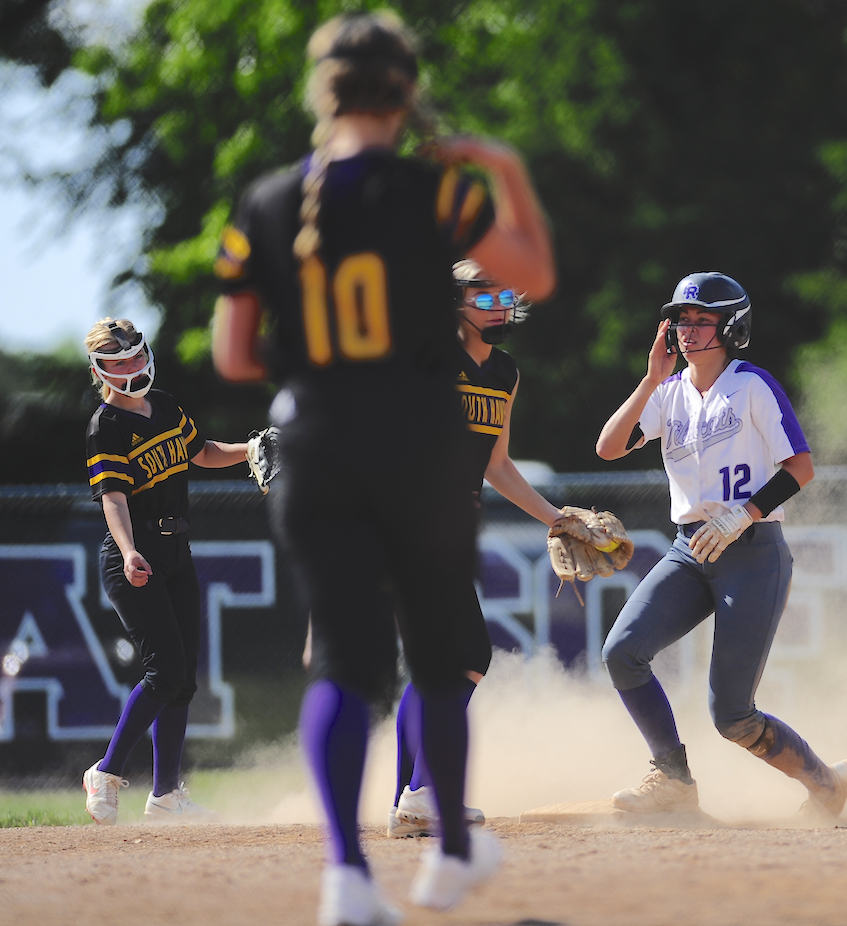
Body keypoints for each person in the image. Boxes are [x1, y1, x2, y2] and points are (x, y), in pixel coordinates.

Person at [211, 11, 555, 926]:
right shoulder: (434, 195)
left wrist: (319, 369)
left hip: (314, 448)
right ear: (406, 94)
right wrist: (504, 170)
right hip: (414, 445)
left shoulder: (265, 201)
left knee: (343, 671)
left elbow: (237, 359)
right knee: (442, 664)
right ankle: (447, 856)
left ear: (321, 93)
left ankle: (346, 881)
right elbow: (534, 275)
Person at [595, 271, 847, 817]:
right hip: (690, 549)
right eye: (681, 320)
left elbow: (801, 467)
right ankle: (672, 778)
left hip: (753, 551)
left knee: (732, 715)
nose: (687, 330)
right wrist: (649, 379)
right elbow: (610, 447)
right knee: (622, 652)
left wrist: (746, 513)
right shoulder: (667, 394)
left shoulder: (751, 384)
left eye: (702, 320)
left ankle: (826, 784)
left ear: (731, 326)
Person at [388, 258, 564, 839]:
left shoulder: (505, 372)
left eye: (502, 293)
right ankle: (423, 792)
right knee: (470, 655)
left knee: (435, 666)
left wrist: (559, 519)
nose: (498, 302)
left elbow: (498, 465)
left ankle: (408, 802)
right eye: (482, 294)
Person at [82, 317, 250, 825]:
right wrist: (130, 550)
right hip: (133, 556)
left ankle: (166, 796)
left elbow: (201, 452)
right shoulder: (105, 426)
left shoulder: (169, 404)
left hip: (176, 552)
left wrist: (250, 450)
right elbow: (112, 498)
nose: (131, 366)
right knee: (165, 671)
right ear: (100, 369)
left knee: (183, 681)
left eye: (136, 355)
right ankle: (105, 773)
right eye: (119, 361)